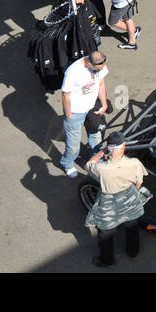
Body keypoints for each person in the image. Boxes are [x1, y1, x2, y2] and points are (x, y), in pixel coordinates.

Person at [85, 130, 148, 268]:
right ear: (123, 147)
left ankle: (107, 260)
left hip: (108, 205)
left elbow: (89, 164)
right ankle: (133, 251)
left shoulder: (101, 168)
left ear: (109, 148)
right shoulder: (134, 163)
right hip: (130, 201)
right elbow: (139, 182)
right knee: (132, 227)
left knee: (105, 234)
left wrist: (102, 151)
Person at [58, 51, 109, 177]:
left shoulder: (100, 65)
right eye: (97, 69)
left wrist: (104, 103)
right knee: (74, 145)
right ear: (89, 63)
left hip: (92, 108)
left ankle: (96, 161)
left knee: (96, 136)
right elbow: (65, 94)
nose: (99, 71)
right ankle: (67, 163)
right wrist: (69, 114)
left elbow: (101, 83)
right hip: (76, 111)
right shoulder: (73, 72)